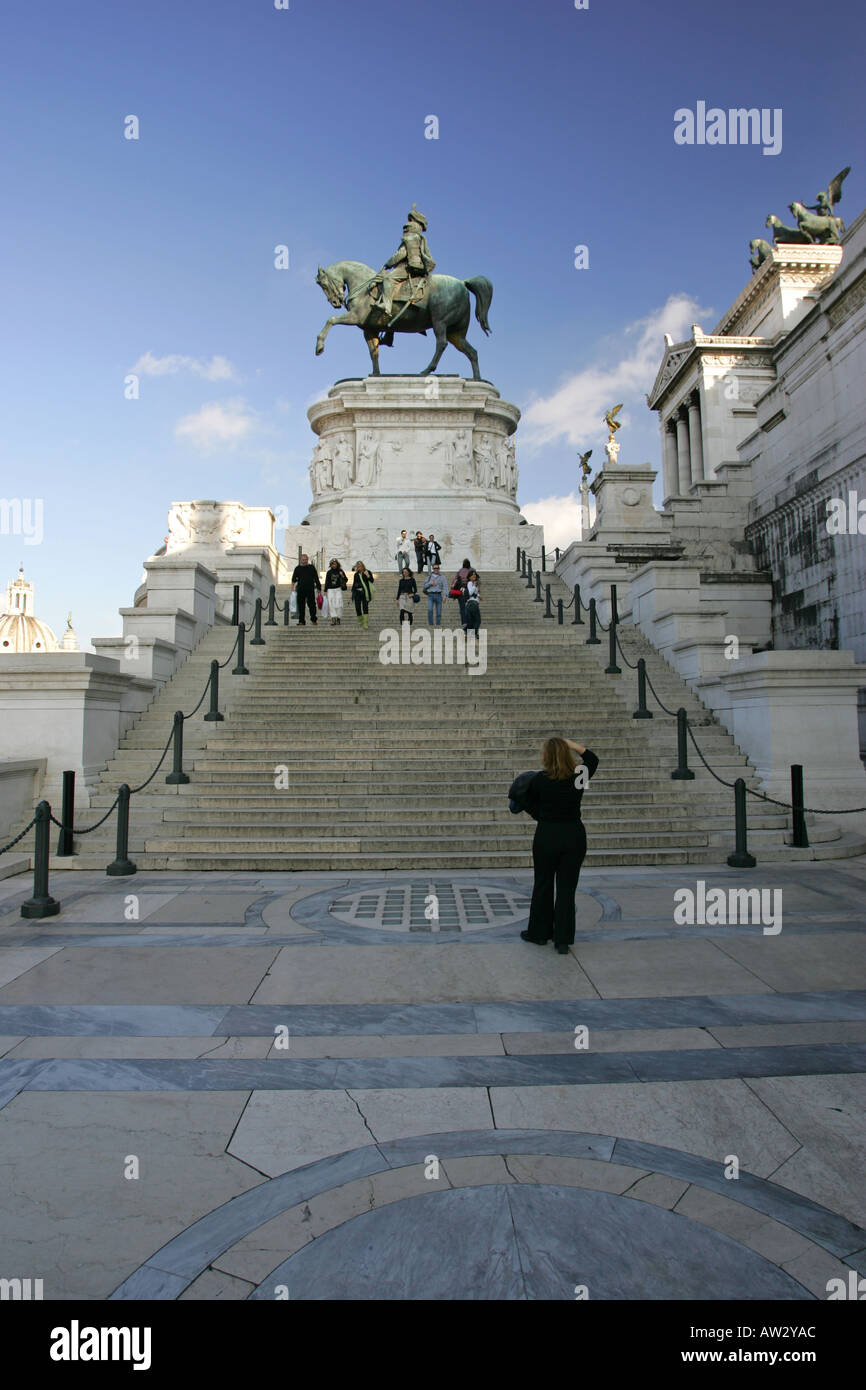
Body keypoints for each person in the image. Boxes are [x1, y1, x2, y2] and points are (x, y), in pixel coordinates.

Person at [520, 738, 599, 954]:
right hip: (573, 834)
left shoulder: (539, 780)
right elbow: (592, 759)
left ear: (546, 756)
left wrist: (542, 815)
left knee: (543, 883)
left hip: (547, 834)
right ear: (566, 754)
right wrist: (571, 744)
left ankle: (538, 933)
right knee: (566, 889)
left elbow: (526, 802)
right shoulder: (578, 778)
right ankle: (562, 940)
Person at [291, 553, 322, 626]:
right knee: (301, 606)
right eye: (303, 560)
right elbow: (293, 579)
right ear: (301, 560)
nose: (304, 561)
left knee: (312, 605)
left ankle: (314, 620)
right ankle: (301, 621)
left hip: (310, 589)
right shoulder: (297, 568)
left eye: (305, 560)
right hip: (301, 589)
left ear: (307, 560)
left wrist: (318, 587)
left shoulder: (311, 567)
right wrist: (292, 587)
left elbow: (316, 578)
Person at [323, 558, 348, 625]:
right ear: (330, 565)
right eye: (332, 564)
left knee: (339, 603)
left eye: (335, 564)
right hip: (330, 590)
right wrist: (325, 590)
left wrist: (342, 575)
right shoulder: (329, 572)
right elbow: (327, 582)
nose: (334, 565)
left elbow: (346, 580)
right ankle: (333, 618)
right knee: (331, 604)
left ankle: (338, 618)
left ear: (337, 564)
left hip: (338, 589)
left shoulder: (340, 571)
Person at [422, 562, 448, 626]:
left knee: (439, 612)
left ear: (439, 569)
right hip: (430, 595)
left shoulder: (442, 577)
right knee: (430, 610)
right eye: (434, 568)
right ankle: (431, 625)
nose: (436, 569)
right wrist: (430, 583)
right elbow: (424, 586)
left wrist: (444, 596)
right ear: (433, 569)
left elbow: (445, 587)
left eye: (437, 568)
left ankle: (438, 625)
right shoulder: (429, 577)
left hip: (438, 595)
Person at [352, 561, 374, 629]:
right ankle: (360, 619)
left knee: (365, 607)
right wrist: (352, 592)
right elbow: (354, 584)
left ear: (363, 566)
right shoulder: (356, 574)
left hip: (365, 593)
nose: (359, 568)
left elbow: (372, 580)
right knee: (357, 608)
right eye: (358, 567)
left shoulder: (367, 572)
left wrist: (368, 575)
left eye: (360, 566)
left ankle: (365, 623)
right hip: (357, 593)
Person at [450, 557, 472, 628]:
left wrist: (452, 589)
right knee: (469, 607)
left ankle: (464, 622)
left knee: (462, 608)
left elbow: (455, 581)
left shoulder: (459, 571)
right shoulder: (470, 572)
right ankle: (469, 622)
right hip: (468, 591)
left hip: (460, 591)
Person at [463, 570, 481, 635]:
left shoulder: (473, 584)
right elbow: (470, 593)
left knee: (471, 621)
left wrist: (479, 596)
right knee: (477, 621)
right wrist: (474, 586)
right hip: (472, 604)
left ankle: (468, 632)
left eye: (475, 574)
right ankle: (473, 633)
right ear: (469, 577)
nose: (474, 575)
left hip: (472, 604)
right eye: (472, 575)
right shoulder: (470, 583)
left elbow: (475, 593)